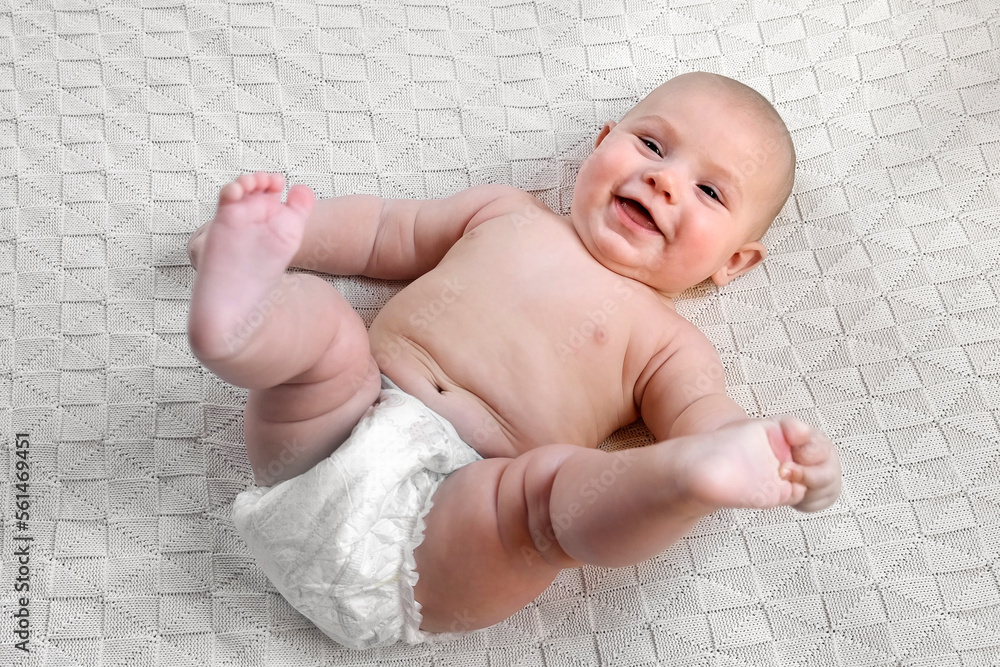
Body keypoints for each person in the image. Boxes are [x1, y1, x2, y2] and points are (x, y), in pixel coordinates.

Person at [187, 71, 842, 650]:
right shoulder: (502, 210)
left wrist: (748, 446)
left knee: (548, 499)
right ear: (600, 144)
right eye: (650, 144)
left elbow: (702, 410)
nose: (664, 180)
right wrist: (290, 233)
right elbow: (385, 231)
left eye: (710, 192)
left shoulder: (668, 342)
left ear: (734, 261)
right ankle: (238, 317)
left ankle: (690, 481)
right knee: (326, 328)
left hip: (451, 528)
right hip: (333, 433)